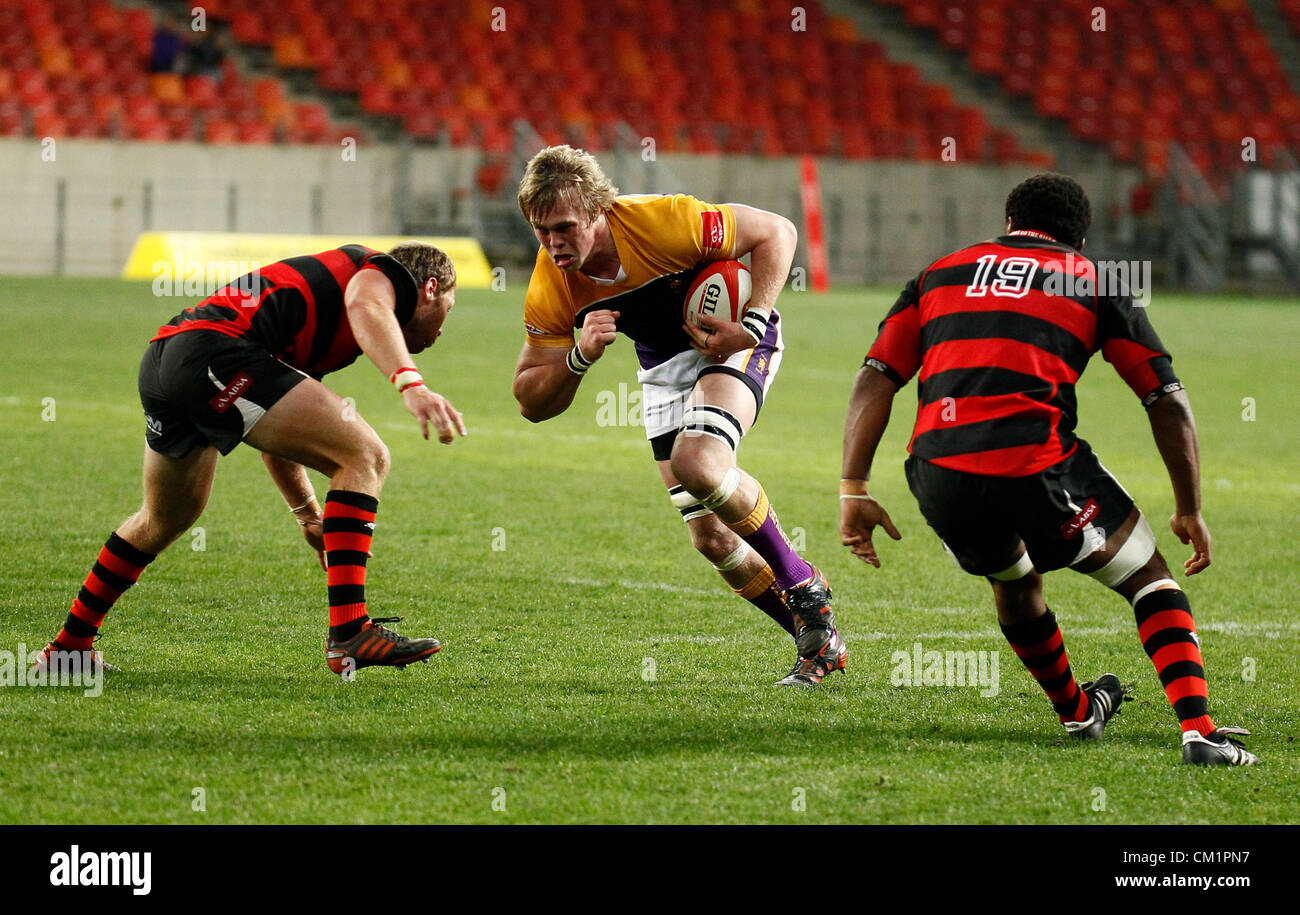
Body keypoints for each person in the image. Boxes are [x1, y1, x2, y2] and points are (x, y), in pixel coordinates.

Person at [839, 173, 1257, 765]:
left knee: (1014, 582)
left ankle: (1079, 714)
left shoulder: (939, 271)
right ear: (1079, 240)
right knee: (1150, 578)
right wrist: (1188, 507)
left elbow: (876, 375)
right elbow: (1167, 400)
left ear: (1010, 222)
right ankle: (1200, 732)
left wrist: (852, 486)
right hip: (1036, 463)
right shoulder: (1095, 279)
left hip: (938, 471)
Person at [35, 242, 466, 678]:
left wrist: (308, 514)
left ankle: (68, 649)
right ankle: (350, 632)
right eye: (449, 308)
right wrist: (412, 384)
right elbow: (366, 300)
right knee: (366, 456)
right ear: (430, 289)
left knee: (164, 518)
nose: (443, 330)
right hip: (214, 354)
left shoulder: (320, 324)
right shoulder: (384, 272)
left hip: (169, 359)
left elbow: (279, 428)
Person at [511, 145, 844, 687]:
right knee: (712, 540)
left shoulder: (664, 221)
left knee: (699, 462)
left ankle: (804, 585)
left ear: (599, 210)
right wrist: (578, 360)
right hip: (663, 366)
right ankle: (818, 643)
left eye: (564, 227)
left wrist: (752, 322)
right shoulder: (552, 283)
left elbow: (777, 232)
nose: (552, 243)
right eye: (540, 229)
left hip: (732, 338)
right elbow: (529, 401)